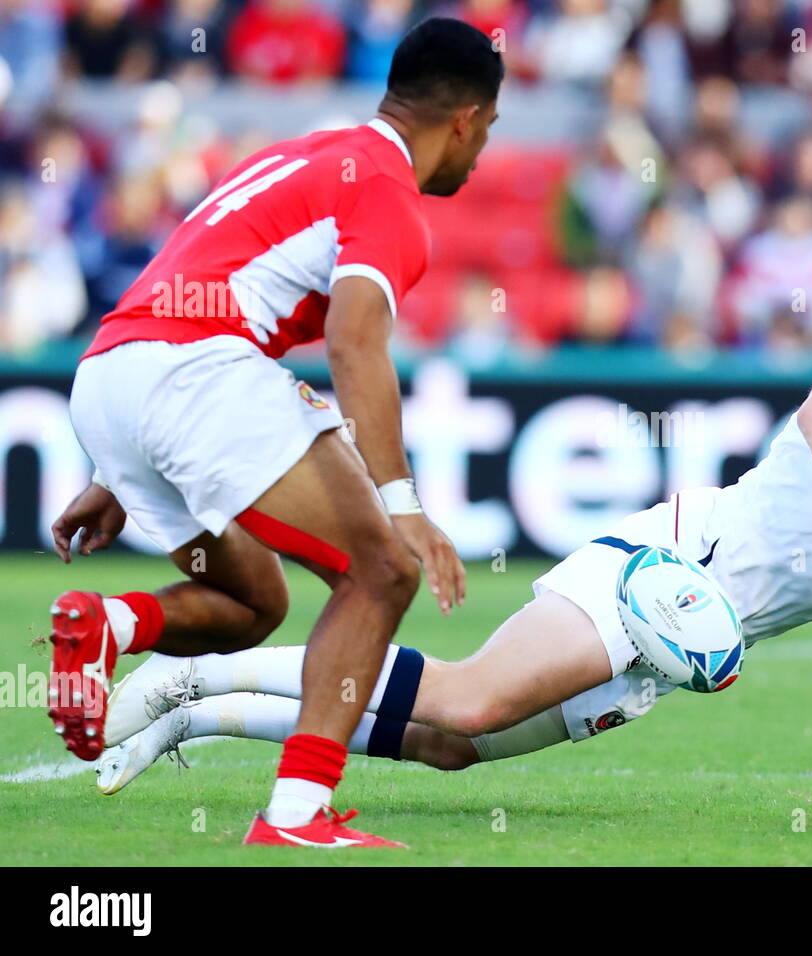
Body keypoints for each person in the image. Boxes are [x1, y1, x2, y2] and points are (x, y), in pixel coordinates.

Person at [97, 288, 812, 795]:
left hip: (696, 635)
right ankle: (187, 675)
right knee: (468, 693)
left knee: (453, 744)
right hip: (667, 566)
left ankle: (200, 718)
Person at [47, 17, 502, 849]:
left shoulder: (301, 154)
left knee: (253, 604)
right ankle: (297, 813)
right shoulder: (390, 195)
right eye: (488, 132)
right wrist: (403, 505)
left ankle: (107, 624)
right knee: (382, 571)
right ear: (466, 118)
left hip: (111, 371)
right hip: (193, 377)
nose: (479, 158)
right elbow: (353, 341)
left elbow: (185, 272)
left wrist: (117, 466)